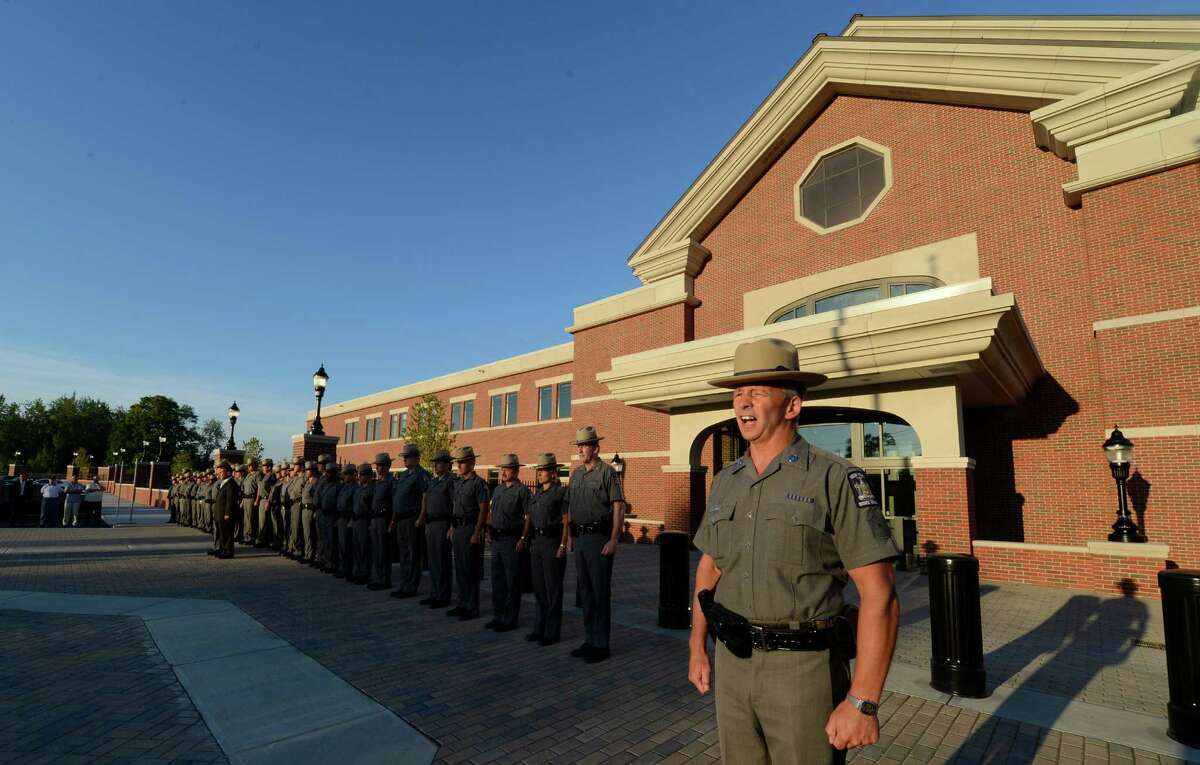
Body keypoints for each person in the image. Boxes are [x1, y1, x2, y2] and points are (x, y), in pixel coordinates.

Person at [687, 338, 901, 763]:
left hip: (803, 672)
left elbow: (881, 595)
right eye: (737, 394)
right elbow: (709, 568)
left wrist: (863, 701)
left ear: (791, 406)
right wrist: (697, 648)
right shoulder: (726, 480)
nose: (743, 402)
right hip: (732, 662)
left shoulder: (834, 478)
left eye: (758, 392)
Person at [566, 425, 626, 663]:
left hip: (599, 539)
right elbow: (570, 507)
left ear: (596, 447)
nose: (580, 449)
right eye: (579, 445)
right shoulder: (576, 474)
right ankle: (590, 639)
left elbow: (618, 507)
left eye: (584, 445)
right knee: (586, 593)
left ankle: (601, 644)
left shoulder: (607, 472)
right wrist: (569, 534)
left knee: (600, 592)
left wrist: (613, 539)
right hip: (580, 539)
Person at [521, 452, 569, 646]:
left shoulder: (560, 493)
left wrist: (563, 545)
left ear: (553, 472)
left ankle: (552, 631)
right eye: (538, 471)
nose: (539, 474)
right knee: (539, 589)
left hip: (552, 542)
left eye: (543, 471)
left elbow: (567, 521)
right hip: (537, 543)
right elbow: (530, 518)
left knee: (553, 589)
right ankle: (539, 628)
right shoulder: (537, 494)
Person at [487, 453, 529, 632]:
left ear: (516, 471)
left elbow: (529, 517)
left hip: (511, 540)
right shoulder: (497, 490)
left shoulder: (522, 491)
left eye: (507, 469)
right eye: (502, 469)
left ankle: (510, 619)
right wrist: (488, 531)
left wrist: (523, 538)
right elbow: (491, 512)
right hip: (496, 540)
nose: (503, 472)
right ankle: (498, 616)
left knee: (512, 581)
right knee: (497, 580)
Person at [448, 446, 489, 621]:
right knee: (460, 569)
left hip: (470, 529)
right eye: (458, 462)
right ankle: (462, 603)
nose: (460, 465)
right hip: (458, 528)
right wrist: (451, 527)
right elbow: (454, 507)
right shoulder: (457, 482)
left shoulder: (478, 483)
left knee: (470, 570)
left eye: (463, 462)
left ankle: (472, 607)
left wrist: (477, 532)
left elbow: (483, 510)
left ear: (472, 463)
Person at [389, 444, 429, 599]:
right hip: (401, 520)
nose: (404, 459)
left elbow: (425, 498)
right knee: (404, 554)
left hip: (413, 519)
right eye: (404, 457)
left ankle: (411, 587)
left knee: (413, 554)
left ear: (415, 458)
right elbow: (397, 498)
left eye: (407, 457)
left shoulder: (421, 475)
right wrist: (394, 519)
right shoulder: (403, 475)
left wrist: (421, 518)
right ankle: (404, 584)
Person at [418, 449, 455, 608]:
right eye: (435, 462)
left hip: (443, 524)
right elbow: (425, 501)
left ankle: (443, 596)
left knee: (442, 561)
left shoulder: (451, 482)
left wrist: (452, 526)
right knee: (432, 561)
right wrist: (424, 520)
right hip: (431, 524)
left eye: (439, 462)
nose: (435, 465)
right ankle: (434, 593)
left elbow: (455, 506)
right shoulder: (432, 482)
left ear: (447, 465)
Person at [213, 461, 241, 559]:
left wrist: (228, 513)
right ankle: (223, 549)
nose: (219, 474)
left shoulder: (230, 483)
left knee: (227, 533)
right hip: (220, 513)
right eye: (219, 472)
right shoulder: (224, 482)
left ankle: (228, 552)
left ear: (228, 472)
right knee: (222, 533)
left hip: (226, 513)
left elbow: (230, 500)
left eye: (221, 472)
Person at [352, 463, 374, 585]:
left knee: (364, 548)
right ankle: (358, 572)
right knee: (357, 548)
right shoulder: (359, 488)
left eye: (361, 474)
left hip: (365, 521)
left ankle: (365, 574)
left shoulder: (372, 489)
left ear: (367, 475)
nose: (359, 477)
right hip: (356, 520)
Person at [317, 461, 341, 573]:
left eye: (329, 472)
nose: (327, 474)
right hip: (323, 514)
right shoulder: (325, 485)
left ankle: (332, 563)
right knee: (324, 539)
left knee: (331, 541)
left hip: (332, 515)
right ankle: (325, 561)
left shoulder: (338, 486)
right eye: (326, 472)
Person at [336, 463, 357, 579]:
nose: (344, 477)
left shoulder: (355, 488)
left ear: (351, 475)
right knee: (341, 545)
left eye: (346, 474)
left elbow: (354, 505)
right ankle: (342, 568)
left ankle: (348, 570)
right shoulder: (344, 487)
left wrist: (351, 519)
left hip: (348, 518)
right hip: (341, 518)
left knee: (347, 546)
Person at [256, 459, 276, 548]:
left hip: (267, 500)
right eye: (263, 466)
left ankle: (265, 540)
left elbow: (272, 490)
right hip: (261, 500)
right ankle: (262, 539)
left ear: (269, 467)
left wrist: (269, 501)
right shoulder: (264, 476)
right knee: (262, 521)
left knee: (266, 521)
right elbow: (259, 488)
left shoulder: (271, 476)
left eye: (264, 466)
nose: (263, 467)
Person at [241, 457, 261, 545]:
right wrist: (242, 501)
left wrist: (257, 499)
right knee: (246, 519)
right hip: (245, 498)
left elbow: (259, 488)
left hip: (252, 498)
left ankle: (251, 537)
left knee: (250, 519)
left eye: (250, 465)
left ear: (255, 465)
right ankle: (246, 536)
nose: (249, 467)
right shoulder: (248, 475)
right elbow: (245, 489)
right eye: (248, 465)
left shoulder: (257, 474)